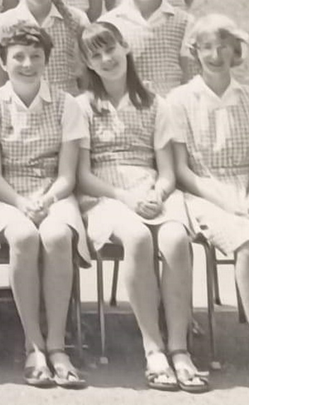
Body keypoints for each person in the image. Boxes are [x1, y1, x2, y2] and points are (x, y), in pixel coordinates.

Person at [74, 21, 209, 393]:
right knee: (135, 238)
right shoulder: (83, 107)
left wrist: (158, 194)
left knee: (177, 238)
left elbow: (167, 172)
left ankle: (179, 347)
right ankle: (153, 348)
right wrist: (126, 199)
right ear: (88, 63)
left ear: (125, 47)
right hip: (106, 194)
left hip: (150, 190)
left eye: (110, 48)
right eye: (96, 54)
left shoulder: (154, 102)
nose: (106, 58)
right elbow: (82, 176)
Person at [0, 21, 90, 389]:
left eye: (35, 56)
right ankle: (33, 345)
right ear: (4, 60)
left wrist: (47, 199)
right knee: (24, 237)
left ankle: (57, 345)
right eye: (18, 57)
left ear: (47, 60)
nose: (27, 64)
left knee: (57, 237)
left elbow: (67, 175)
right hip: (6, 196)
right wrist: (22, 203)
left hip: (52, 192)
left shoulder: (66, 104)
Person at [166, 14, 249, 318]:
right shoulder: (180, 100)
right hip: (203, 192)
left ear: (236, 51)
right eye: (207, 47)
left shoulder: (249, 98)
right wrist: (226, 202)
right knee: (250, 246)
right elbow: (182, 171)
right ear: (195, 52)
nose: (216, 56)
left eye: (224, 47)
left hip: (247, 189)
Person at [98, 0, 194, 96]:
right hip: (129, 112)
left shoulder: (184, 22)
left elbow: (189, 77)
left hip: (172, 110)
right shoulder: (109, 24)